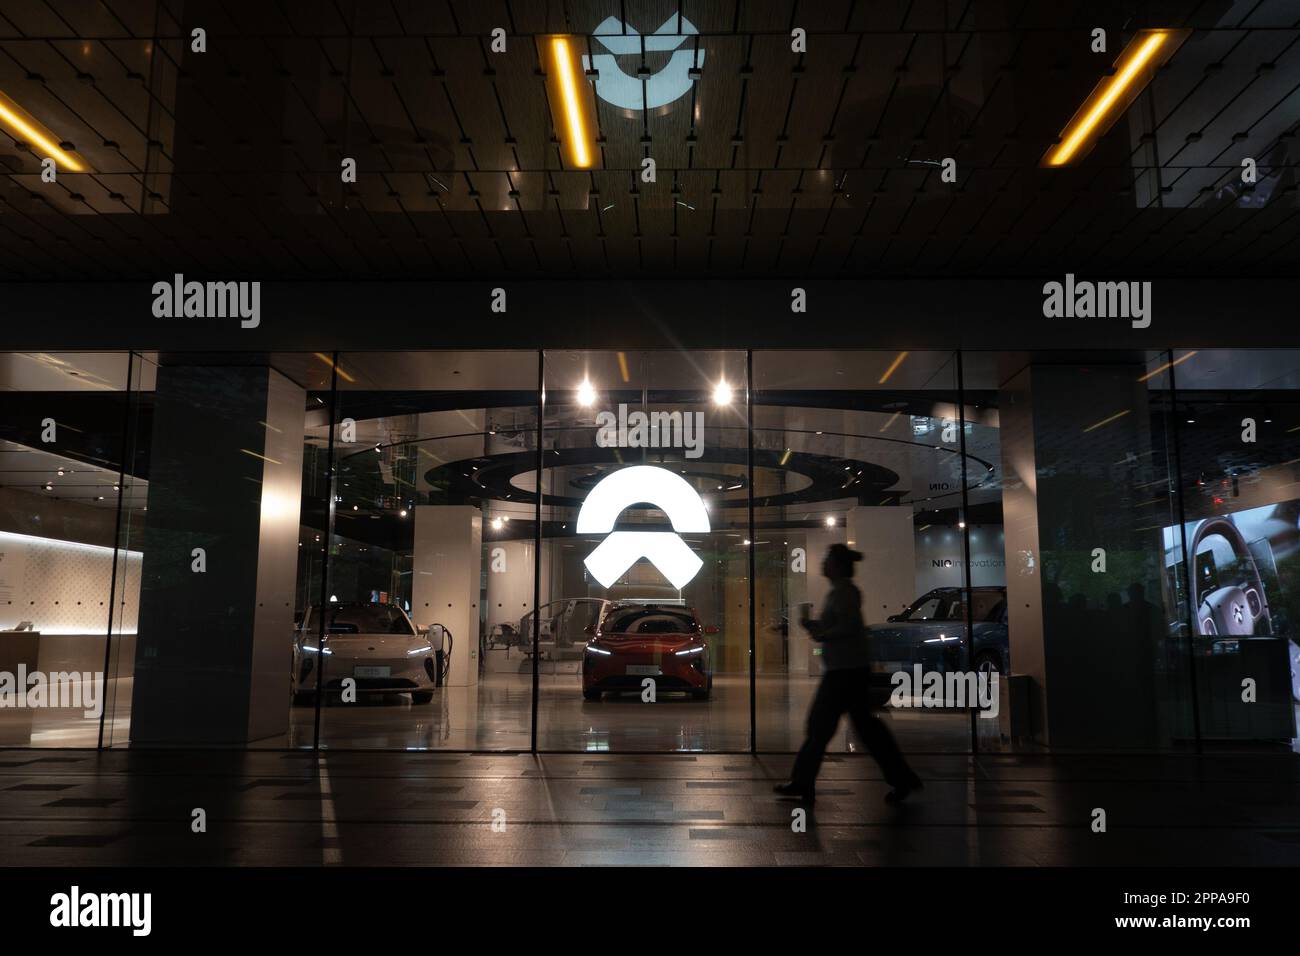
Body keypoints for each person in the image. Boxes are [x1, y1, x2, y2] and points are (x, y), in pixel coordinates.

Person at [774, 543, 923, 805]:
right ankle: (902, 777)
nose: (823, 563)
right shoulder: (840, 592)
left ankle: (803, 783)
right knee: (865, 729)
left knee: (821, 726)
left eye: (828, 559)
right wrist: (816, 627)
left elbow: (848, 626)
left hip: (845, 673)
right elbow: (843, 625)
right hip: (848, 671)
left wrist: (822, 632)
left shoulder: (845, 592)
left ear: (838, 566)